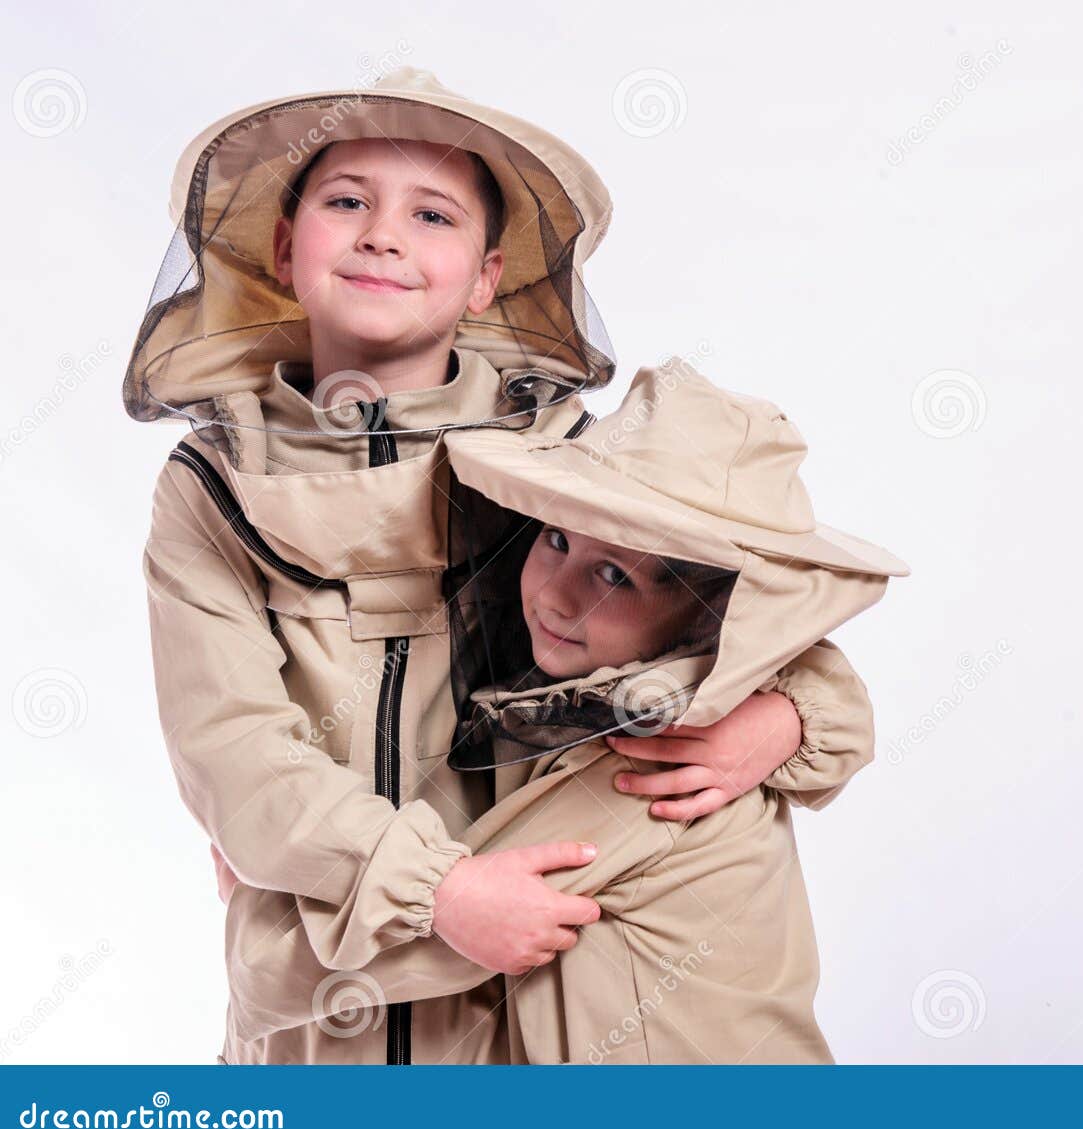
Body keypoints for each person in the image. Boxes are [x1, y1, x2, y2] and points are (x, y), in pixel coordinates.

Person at [131, 67, 881, 1064]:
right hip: (323, 1024)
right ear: (282, 244)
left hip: (517, 988)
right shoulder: (211, 486)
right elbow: (227, 746)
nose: (383, 235)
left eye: (432, 214)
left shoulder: (569, 462)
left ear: (487, 275)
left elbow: (734, 599)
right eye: (346, 201)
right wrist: (428, 889)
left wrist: (792, 715)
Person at [219, 359, 909, 1062]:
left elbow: (417, 938)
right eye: (555, 539)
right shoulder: (611, 706)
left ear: (709, 617)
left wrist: (252, 908)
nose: (555, 595)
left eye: (614, 575)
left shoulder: (651, 768)